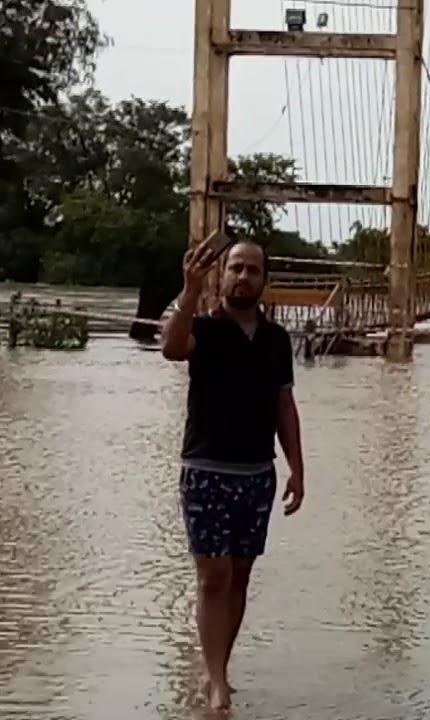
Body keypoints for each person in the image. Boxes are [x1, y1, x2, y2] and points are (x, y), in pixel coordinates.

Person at [160, 235, 305, 711]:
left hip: (256, 474)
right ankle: (216, 679)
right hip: (205, 469)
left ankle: (219, 666)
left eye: (253, 270)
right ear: (222, 275)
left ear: (265, 280)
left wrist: (297, 470)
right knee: (213, 576)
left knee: (240, 576)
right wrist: (188, 287)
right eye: (236, 268)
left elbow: (285, 405)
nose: (244, 277)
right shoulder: (204, 327)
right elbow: (172, 348)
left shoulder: (277, 339)